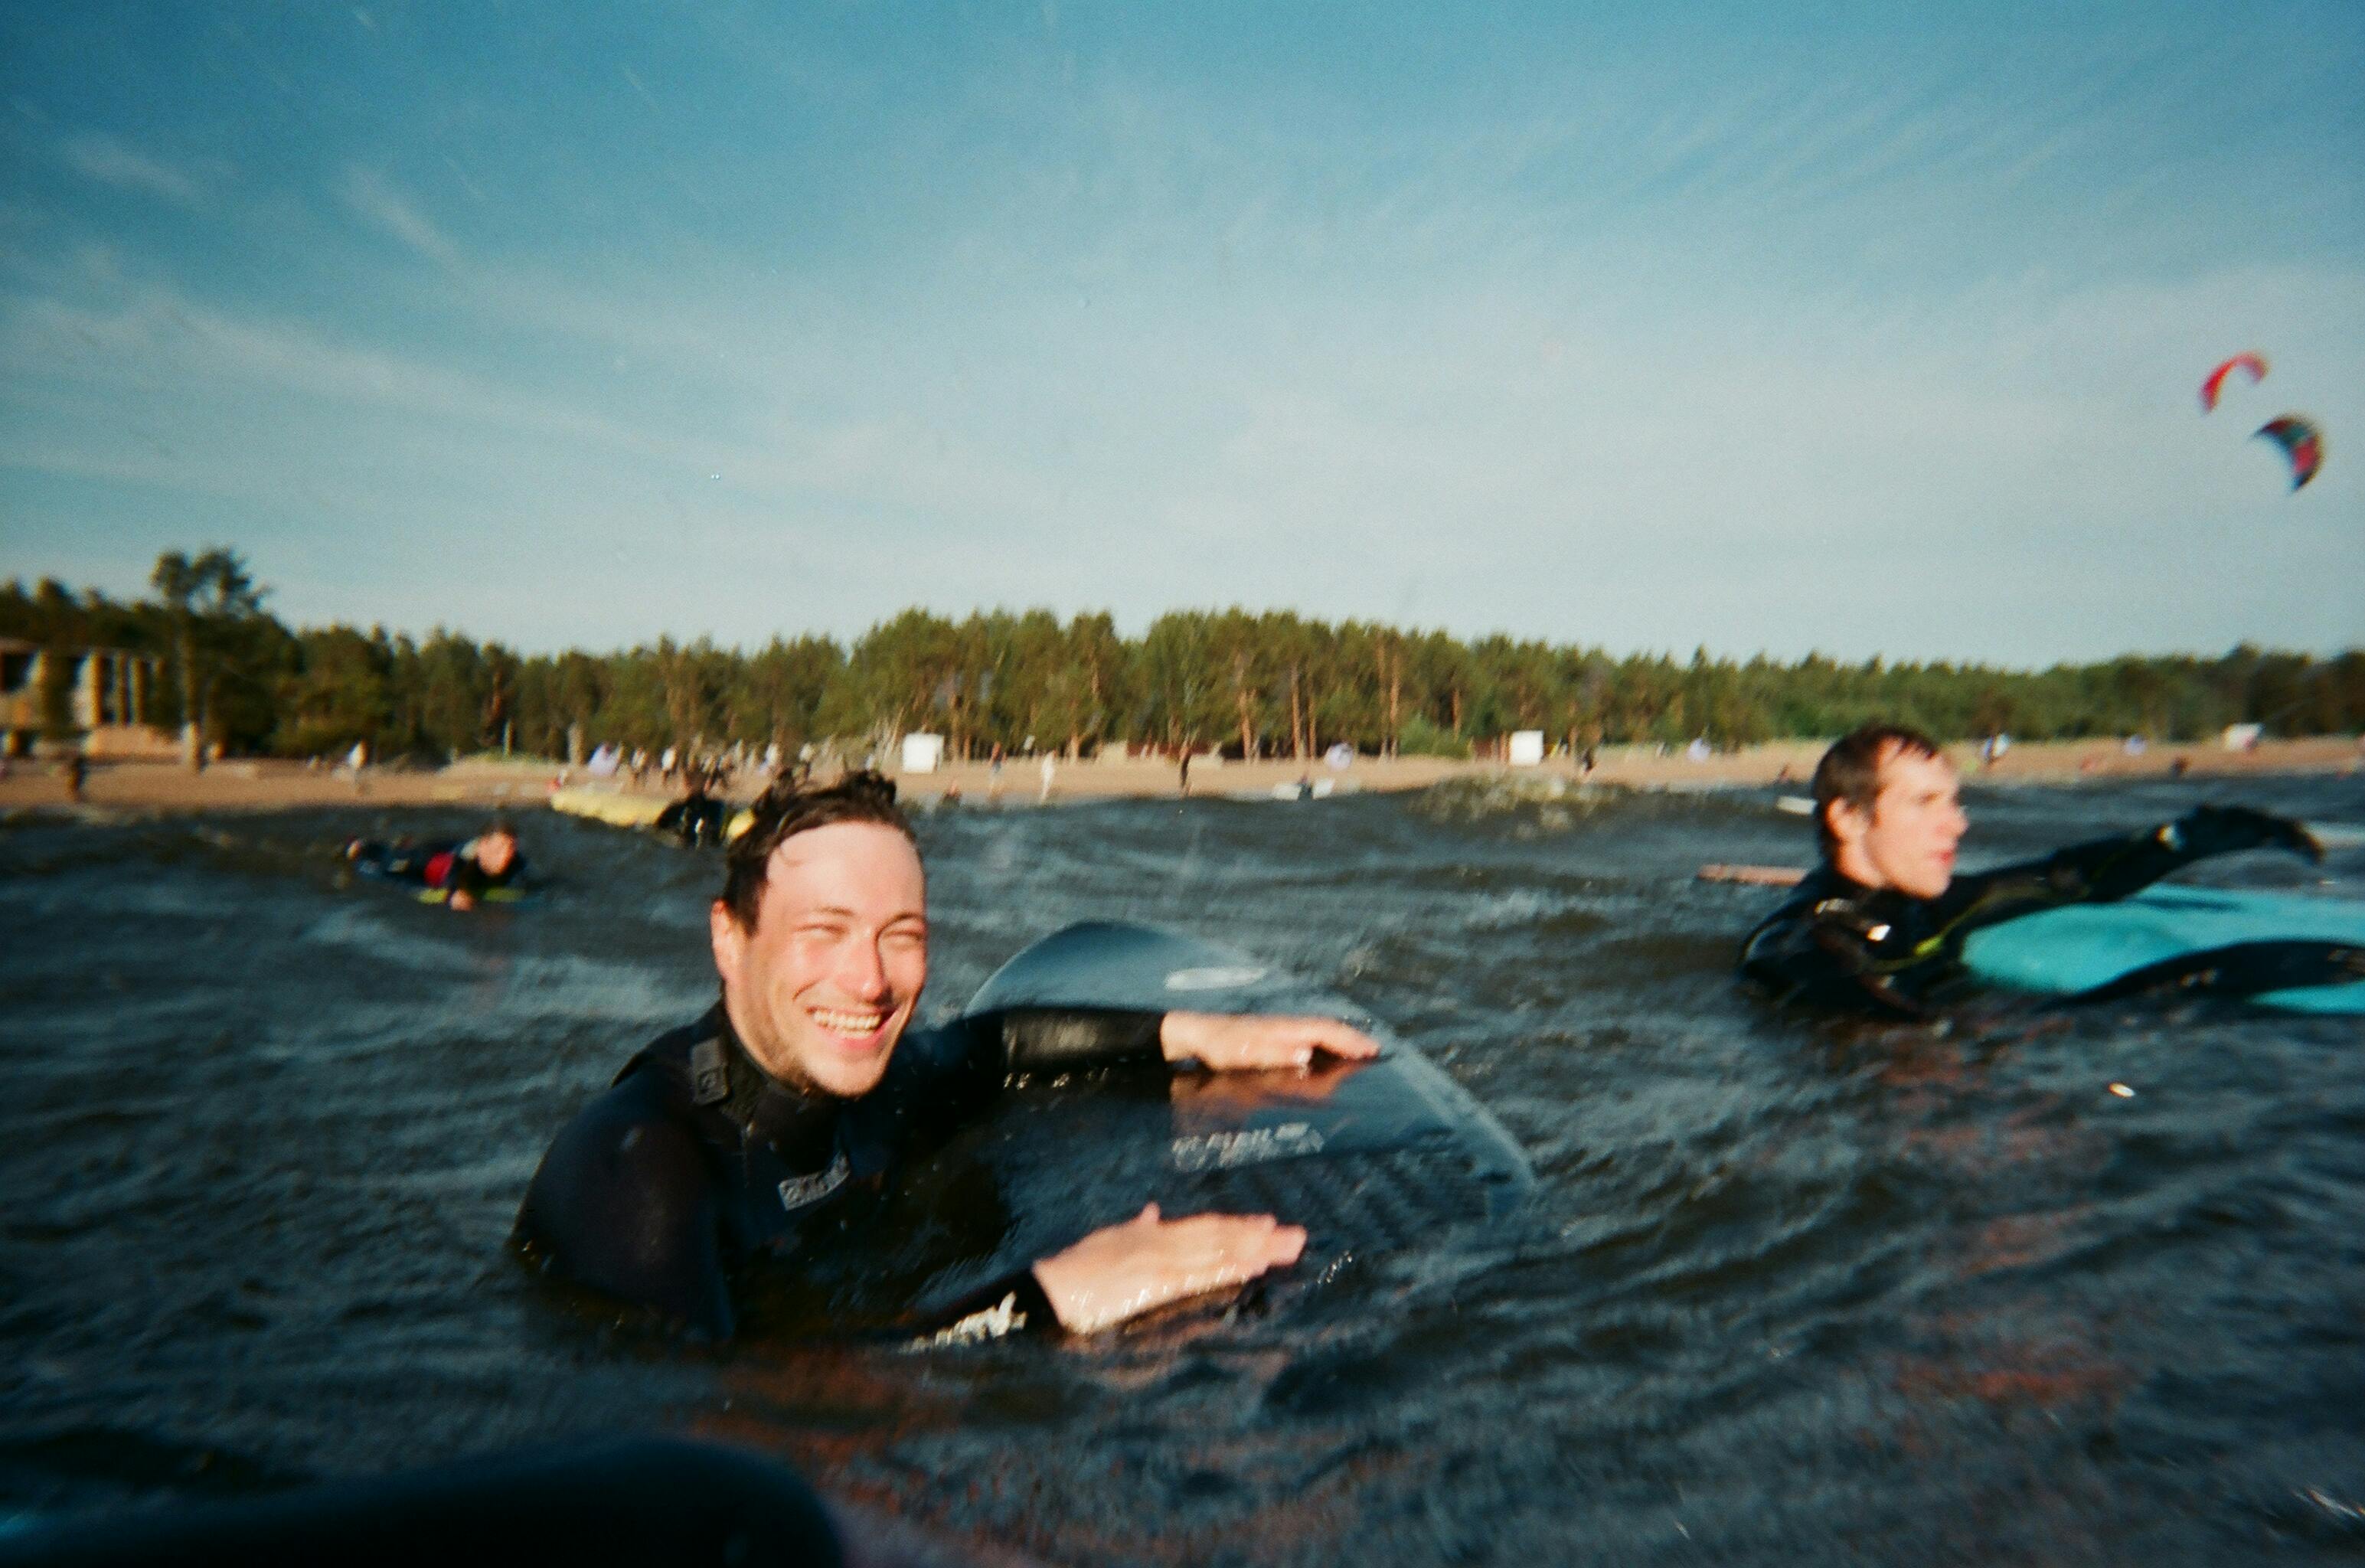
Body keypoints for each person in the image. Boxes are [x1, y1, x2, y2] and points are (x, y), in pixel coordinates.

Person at [512, 772, 1377, 1343]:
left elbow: (994, 1044)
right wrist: (1038, 1297)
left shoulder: (878, 1086)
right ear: (729, 939)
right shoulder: (642, 1166)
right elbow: (719, 1423)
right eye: (825, 932)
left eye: (903, 937)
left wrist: (1193, 1034)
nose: (870, 979)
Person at [1739, 722, 2341, 1018]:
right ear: (1847, 818)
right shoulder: (1806, 937)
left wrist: (2183, 840)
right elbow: (1872, 1014)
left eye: (1953, 802)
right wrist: (2190, 980)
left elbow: (2062, 879)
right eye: (1925, 804)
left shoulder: (1925, 904)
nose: (1957, 825)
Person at [347, 818, 527, 911]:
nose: (506, 856)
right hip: (426, 862)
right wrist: (453, 897)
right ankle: (363, 847)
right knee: (389, 865)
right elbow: (455, 884)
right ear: (483, 846)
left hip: (452, 849)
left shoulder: (517, 861)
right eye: (500, 849)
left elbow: (533, 883)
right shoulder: (464, 864)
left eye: (511, 848)